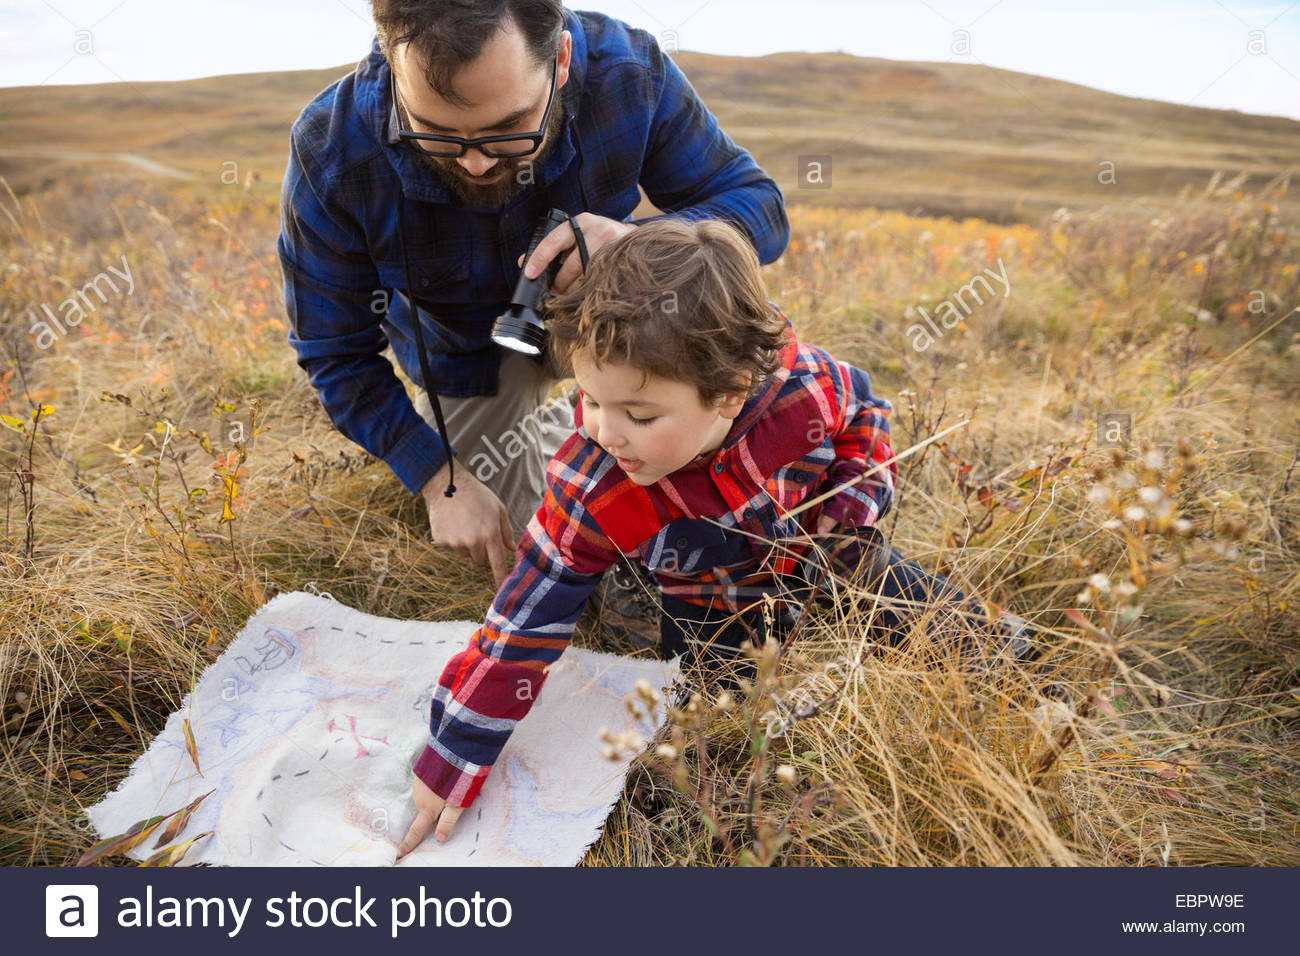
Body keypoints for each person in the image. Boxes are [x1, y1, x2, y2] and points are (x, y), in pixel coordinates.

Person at [394, 218, 1063, 859]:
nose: (605, 432)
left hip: (822, 549)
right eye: (591, 401)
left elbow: (866, 415)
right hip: (708, 595)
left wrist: (855, 511)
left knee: (900, 596)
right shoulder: (598, 485)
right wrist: (456, 755)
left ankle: (1023, 664)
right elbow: (524, 619)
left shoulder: (801, 393)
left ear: (730, 392)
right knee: (717, 730)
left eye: (640, 413)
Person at [276, 1, 789, 639]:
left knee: (752, 499)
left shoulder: (628, 73)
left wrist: (634, 242)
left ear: (563, 61)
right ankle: (555, 445)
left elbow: (760, 209)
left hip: (618, 327)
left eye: (508, 129)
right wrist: (438, 477)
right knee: (544, 558)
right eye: (435, 134)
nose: (477, 164)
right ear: (392, 75)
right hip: (469, 354)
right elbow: (335, 352)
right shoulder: (334, 148)